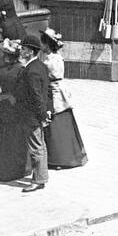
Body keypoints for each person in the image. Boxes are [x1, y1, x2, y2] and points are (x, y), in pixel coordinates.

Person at [41, 29, 87, 169]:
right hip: (51, 88)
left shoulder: (54, 59)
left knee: (57, 121)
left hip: (55, 90)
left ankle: (61, 158)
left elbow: (50, 75)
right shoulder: (48, 56)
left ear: (47, 44)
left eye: (42, 43)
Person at [0, 42, 31, 182]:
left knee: (1, 138)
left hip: (1, 104)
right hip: (15, 105)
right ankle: (17, 169)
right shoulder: (22, 70)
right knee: (16, 137)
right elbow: (24, 91)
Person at [14, 33, 52, 193]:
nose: (20, 50)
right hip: (37, 114)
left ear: (30, 51)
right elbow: (48, 91)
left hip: (31, 115)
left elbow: (36, 96)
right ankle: (41, 177)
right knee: (40, 145)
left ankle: (38, 180)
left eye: (23, 48)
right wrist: (48, 111)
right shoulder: (40, 66)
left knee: (36, 147)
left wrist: (42, 115)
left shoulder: (31, 71)